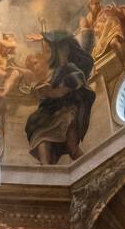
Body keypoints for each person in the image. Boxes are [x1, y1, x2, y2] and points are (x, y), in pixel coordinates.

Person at [24, 31, 95, 164]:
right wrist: (43, 93)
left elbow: (65, 90)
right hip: (49, 112)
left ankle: (89, 166)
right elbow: (45, 98)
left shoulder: (65, 68)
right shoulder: (42, 78)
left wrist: (46, 36)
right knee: (39, 131)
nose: (34, 67)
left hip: (67, 108)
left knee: (72, 147)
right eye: (31, 66)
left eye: (48, 50)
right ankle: (46, 170)